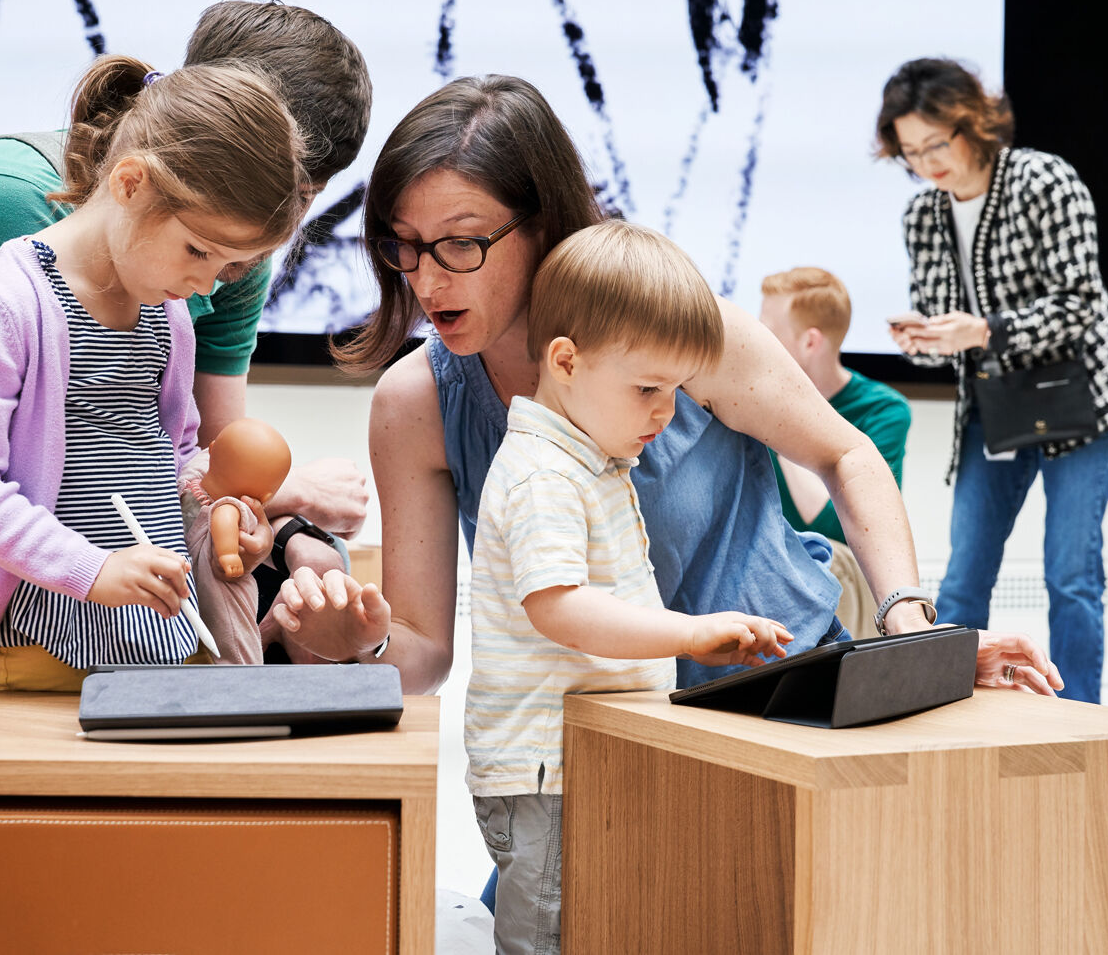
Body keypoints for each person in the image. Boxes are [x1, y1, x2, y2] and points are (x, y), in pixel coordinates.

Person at [276, 73, 1062, 702]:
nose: (427, 278)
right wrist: (361, 645)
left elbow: (847, 456)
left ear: (544, 223)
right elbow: (424, 655)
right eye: (405, 247)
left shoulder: (681, 325)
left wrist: (910, 627)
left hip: (783, 689)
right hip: (601, 739)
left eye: (461, 243)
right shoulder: (415, 403)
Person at [0, 0, 373, 674]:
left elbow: (174, 460)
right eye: (202, 252)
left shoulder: (168, 305)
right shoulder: (5, 288)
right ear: (133, 182)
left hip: (155, 634)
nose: (217, 283)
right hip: (42, 633)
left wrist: (235, 517)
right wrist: (90, 569)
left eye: (233, 262)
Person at [469, 219, 792, 954]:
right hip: (545, 774)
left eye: (677, 389)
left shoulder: (591, 462)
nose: (667, 411)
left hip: (585, 762)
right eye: (648, 386)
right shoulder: (544, 475)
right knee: (548, 939)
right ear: (566, 361)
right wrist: (691, 631)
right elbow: (560, 607)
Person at [876, 56, 1108, 703]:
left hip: (1086, 400)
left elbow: (1079, 303)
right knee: (963, 577)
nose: (927, 162)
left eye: (937, 142)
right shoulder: (923, 216)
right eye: (911, 152)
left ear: (974, 122)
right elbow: (945, 330)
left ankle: (1079, 721)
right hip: (997, 404)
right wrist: (926, 340)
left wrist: (984, 330)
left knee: (1070, 573)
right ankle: (951, 711)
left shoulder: (1046, 180)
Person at [759, 267, 912, 638]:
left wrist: (776, 421)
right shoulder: (745, 398)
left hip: (838, 569)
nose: (756, 342)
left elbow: (833, 526)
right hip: (766, 558)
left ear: (811, 343)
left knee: (825, 559)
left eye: (768, 333)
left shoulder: (882, 411)